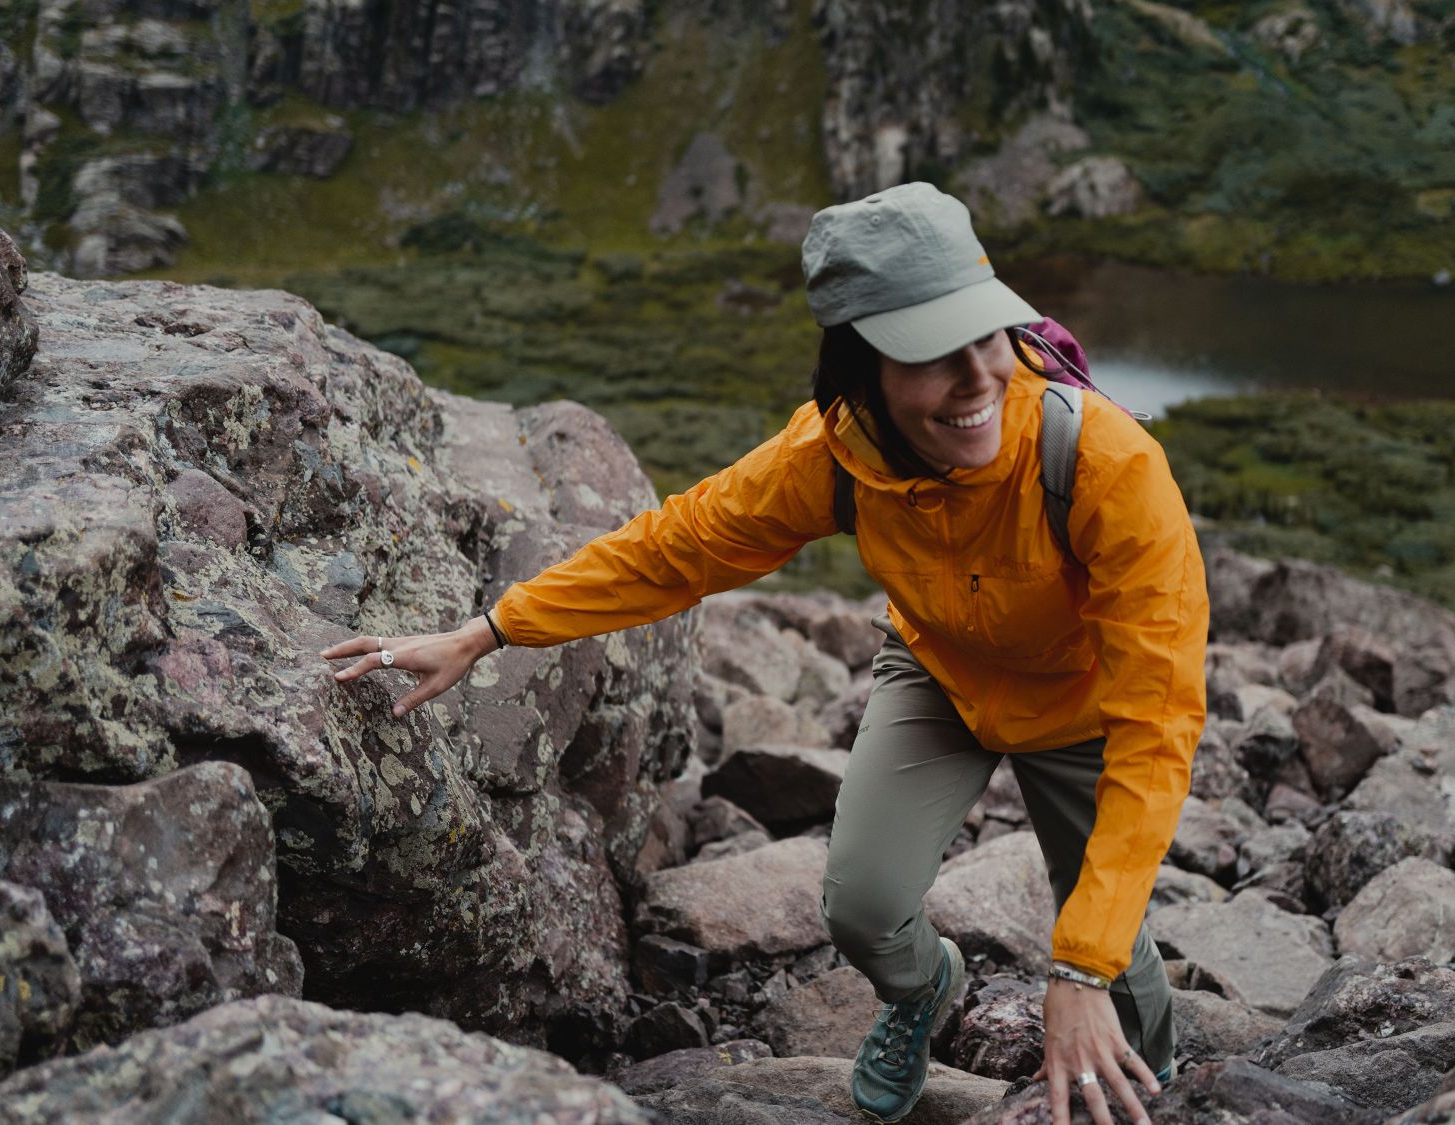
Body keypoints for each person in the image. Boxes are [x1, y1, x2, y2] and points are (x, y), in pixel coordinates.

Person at [322, 182, 1209, 1125]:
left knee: (1111, 947)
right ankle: (925, 990)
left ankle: (1156, 1083)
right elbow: (674, 550)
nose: (978, 379)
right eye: (932, 356)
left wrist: (1076, 968)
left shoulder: (1107, 464)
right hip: (942, 671)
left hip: (1083, 704)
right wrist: (490, 629)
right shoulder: (833, 456)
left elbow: (1157, 716)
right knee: (863, 911)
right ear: (861, 367)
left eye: (986, 338)